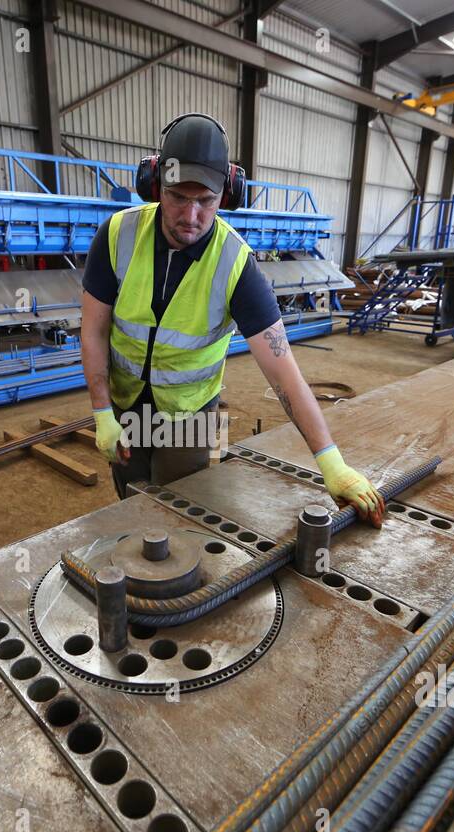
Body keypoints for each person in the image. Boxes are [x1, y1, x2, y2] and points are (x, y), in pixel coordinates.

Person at [78, 113, 384, 527]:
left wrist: (331, 463)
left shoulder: (235, 265)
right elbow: (94, 331)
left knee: (180, 513)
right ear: (155, 185)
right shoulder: (116, 236)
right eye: (177, 197)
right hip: (126, 403)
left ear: (228, 193)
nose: (190, 216)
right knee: (129, 502)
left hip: (188, 414)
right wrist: (102, 414)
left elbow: (283, 372)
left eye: (205, 200)